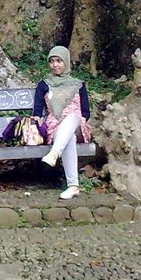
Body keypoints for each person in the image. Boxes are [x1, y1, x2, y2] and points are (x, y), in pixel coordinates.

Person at [32, 45, 92, 200]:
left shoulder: (78, 84)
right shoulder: (44, 84)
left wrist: (76, 119)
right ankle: (73, 186)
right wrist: (37, 118)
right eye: (52, 61)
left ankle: (54, 153)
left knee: (72, 117)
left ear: (66, 61)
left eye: (59, 61)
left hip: (77, 124)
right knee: (68, 137)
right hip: (55, 125)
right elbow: (37, 110)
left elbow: (85, 112)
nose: (55, 65)